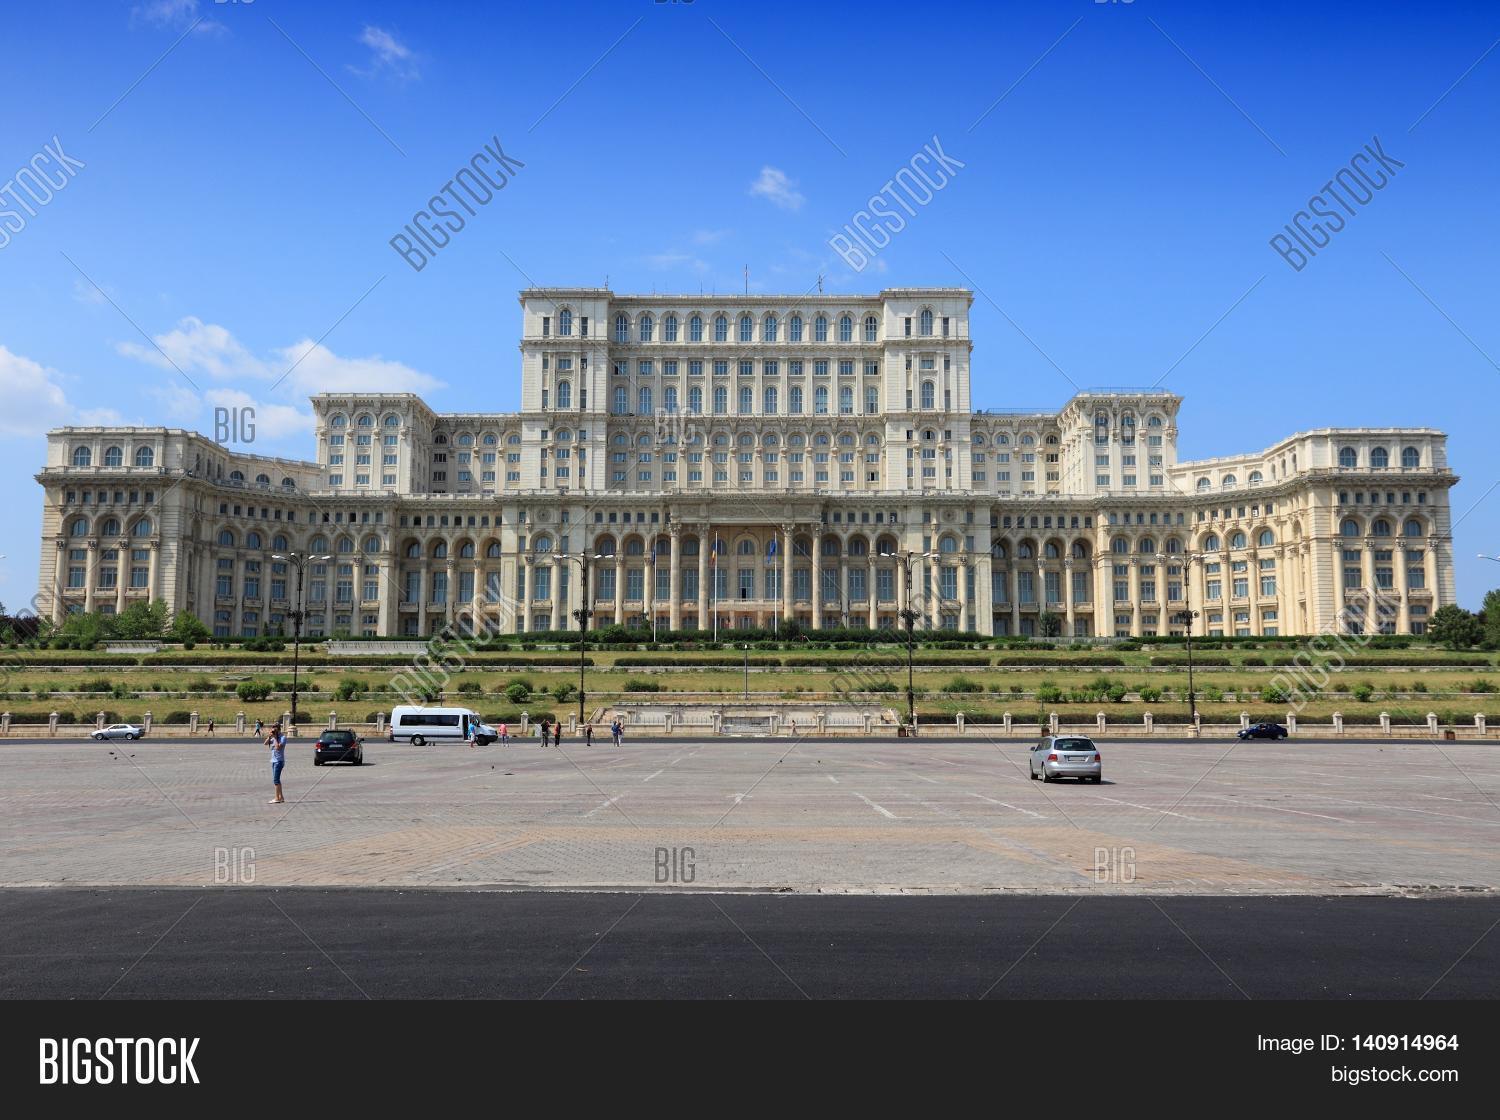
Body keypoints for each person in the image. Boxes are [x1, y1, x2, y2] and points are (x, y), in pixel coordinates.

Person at [266, 722, 287, 804]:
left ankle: (276, 798)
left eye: (275, 728)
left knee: (276, 780)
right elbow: (265, 743)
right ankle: (281, 797)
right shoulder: (274, 737)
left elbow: (278, 748)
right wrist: (269, 736)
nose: (274, 730)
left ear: (278, 729)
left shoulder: (283, 737)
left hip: (279, 761)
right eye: (273, 728)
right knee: (277, 780)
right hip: (274, 761)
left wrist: (275, 738)